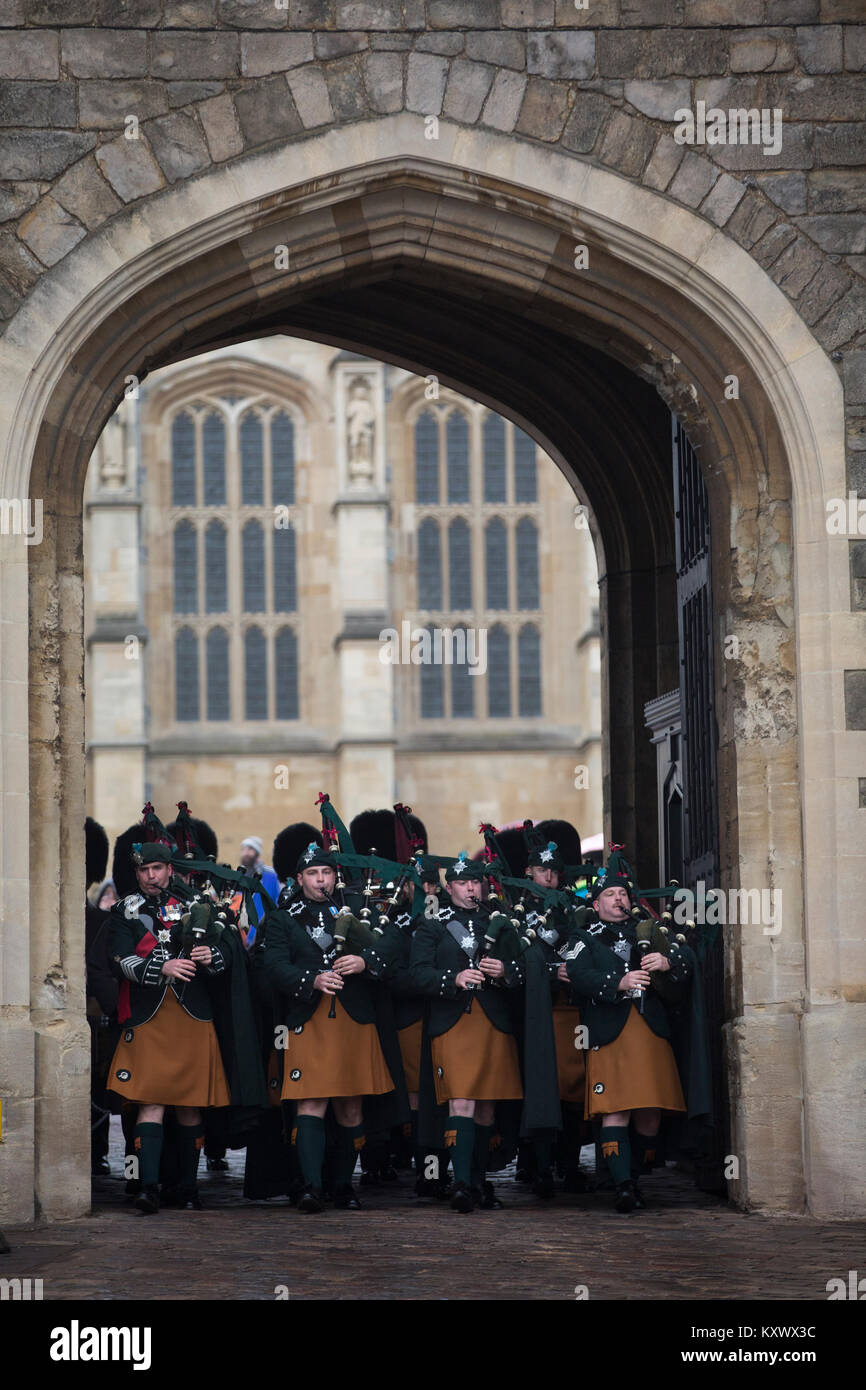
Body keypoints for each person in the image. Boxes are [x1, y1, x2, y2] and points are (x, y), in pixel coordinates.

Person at [263, 842, 399, 1213]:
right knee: (311, 1101)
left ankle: (343, 1186)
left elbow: (393, 945)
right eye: (312, 874)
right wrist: (312, 980)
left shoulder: (359, 908)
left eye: (325, 873)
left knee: (351, 1105)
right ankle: (310, 1186)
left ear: (335, 876)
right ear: (299, 879)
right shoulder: (283, 917)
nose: (320, 880)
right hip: (309, 1018)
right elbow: (273, 964)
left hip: (355, 1017)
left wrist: (364, 960)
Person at [106, 841, 232, 1215]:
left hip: (192, 1015)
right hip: (149, 1015)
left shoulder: (199, 907)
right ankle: (148, 1188)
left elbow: (228, 958)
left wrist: (212, 956)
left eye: (156, 869)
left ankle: (190, 1189)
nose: (150, 876)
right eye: (144, 870)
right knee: (150, 1103)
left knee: (192, 1107)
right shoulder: (125, 911)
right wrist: (159, 969)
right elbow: (118, 959)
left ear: (169, 870)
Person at [564, 850, 693, 1212]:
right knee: (615, 1110)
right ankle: (623, 1185)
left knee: (650, 1113)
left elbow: (686, 959)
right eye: (610, 894)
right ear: (595, 902)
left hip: (649, 1028)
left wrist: (667, 962)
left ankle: (632, 1176)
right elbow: (575, 974)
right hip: (608, 1031)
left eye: (622, 893)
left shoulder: (650, 929)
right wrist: (617, 982)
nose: (618, 899)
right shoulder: (582, 936)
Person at [410, 853, 524, 1213]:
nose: (470, 888)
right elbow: (417, 974)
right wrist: (454, 978)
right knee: (461, 1101)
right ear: (449, 887)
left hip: (493, 1022)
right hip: (453, 1022)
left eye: (475, 882)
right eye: (462, 883)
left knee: (486, 1107)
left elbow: (527, 967)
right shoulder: (432, 925)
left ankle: (478, 1182)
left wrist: (505, 970)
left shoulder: (502, 924)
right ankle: (459, 1183)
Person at [239, 835, 280, 903]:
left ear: (257, 853)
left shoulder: (271, 875)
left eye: (250, 849)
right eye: (243, 849)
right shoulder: (237, 875)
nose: (245, 853)